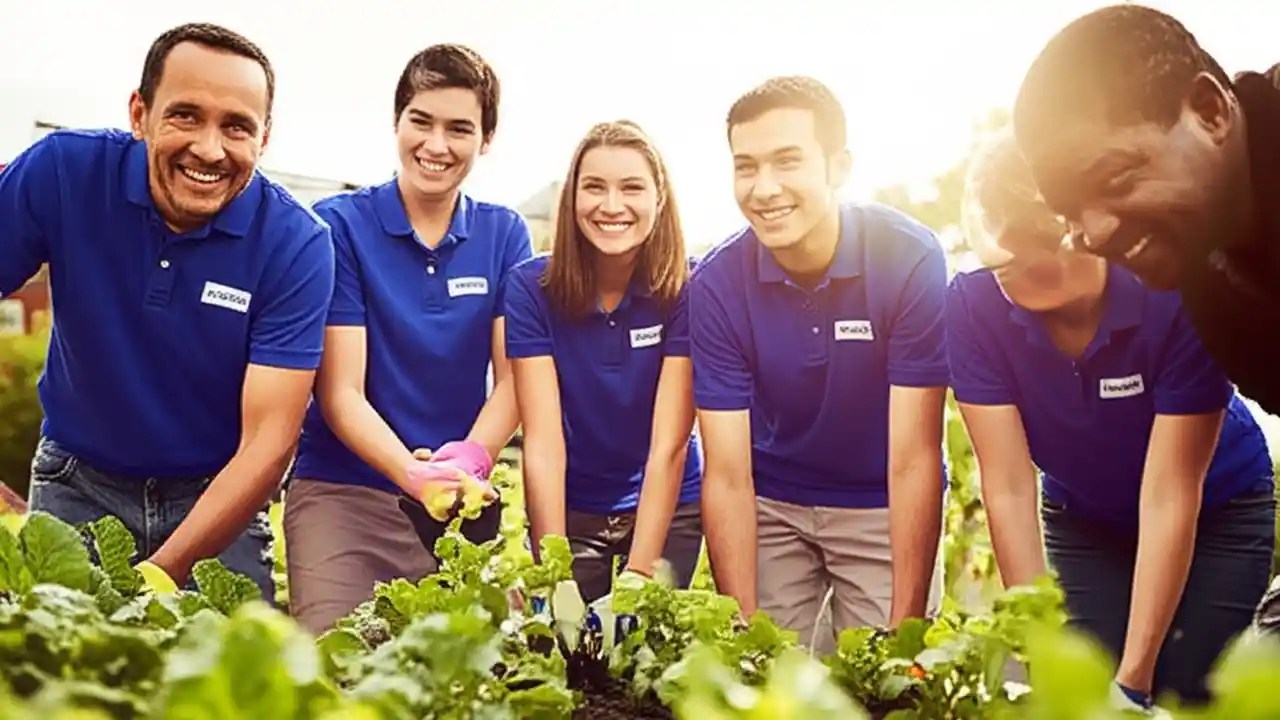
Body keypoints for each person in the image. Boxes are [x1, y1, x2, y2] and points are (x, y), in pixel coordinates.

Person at [0, 23, 335, 600]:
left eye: (236, 127)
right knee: (56, 679)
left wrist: (163, 572)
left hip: (216, 503)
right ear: (140, 113)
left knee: (239, 683)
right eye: (185, 115)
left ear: (264, 137)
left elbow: (269, 440)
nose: (209, 148)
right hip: (77, 482)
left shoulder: (296, 243)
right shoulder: (63, 173)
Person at [948, 129, 1275, 711]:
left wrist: (1134, 680)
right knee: (1083, 686)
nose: (1007, 278)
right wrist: (1041, 646)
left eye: (1023, 258)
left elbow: (1172, 491)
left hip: (1217, 509)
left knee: (1186, 690)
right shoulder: (973, 308)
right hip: (1084, 522)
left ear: (1075, 231)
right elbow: (1007, 486)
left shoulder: (1174, 290)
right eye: (997, 263)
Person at [690, 76, 947, 652]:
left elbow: (914, 457)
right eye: (745, 166)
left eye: (787, 162)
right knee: (771, 685)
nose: (764, 188)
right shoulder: (716, 284)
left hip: (880, 504)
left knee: (885, 685)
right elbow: (727, 472)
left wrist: (906, 634)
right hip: (772, 506)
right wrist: (744, 636)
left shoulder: (908, 258)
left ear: (839, 166)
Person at [285, 43, 530, 635]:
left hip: (458, 500)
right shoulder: (339, 226)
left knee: (483, 669)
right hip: (344, 492)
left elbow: (515, 379)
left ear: (486, 139)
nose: (436, 145)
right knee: (337, 661)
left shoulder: (504, 233)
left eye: (459, 128)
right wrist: (412, 474)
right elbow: (341, 391)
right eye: (421, 121)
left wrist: (465, 463)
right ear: (396, 122)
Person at [1011, 4, 1280, 415]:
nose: (1094, 234)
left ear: (1210, 113)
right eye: (1070, 215)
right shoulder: (1207, 284)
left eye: (1115, 178)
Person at [504, 120, 702, 603]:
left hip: (670, 505)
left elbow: (668, 446)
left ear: (660, 198)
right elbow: (544, 442)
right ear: (572, 198)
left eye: (631, 188)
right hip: (572, 507)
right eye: (594, 187)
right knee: (567, 658)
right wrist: (555, 571)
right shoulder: (531, 288)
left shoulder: (689, 289)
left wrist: (638, 575)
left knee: (648, 659)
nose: (611, 206)